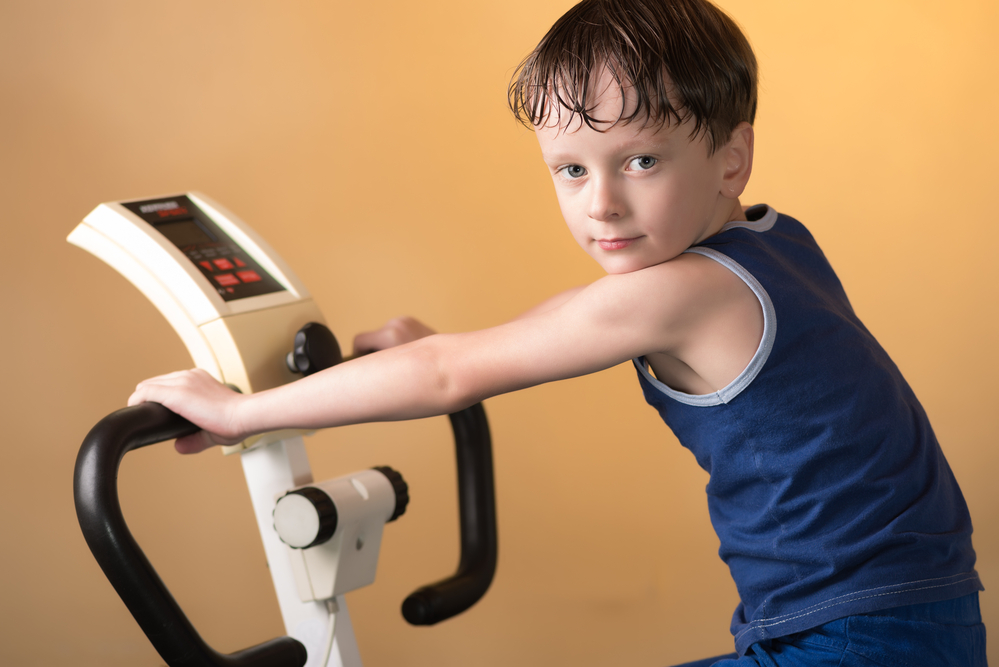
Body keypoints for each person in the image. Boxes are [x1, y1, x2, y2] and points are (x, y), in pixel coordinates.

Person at [128, 0, 987, 664]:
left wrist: (239, 413)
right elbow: (563, 318)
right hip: (914, 617)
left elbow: (451, 375)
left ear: (730, 158)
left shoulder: (684, 291)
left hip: (852, 640)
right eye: (571, 169)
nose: (600, 202)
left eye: (639, 161)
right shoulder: (771, 244)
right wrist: (442, 339)